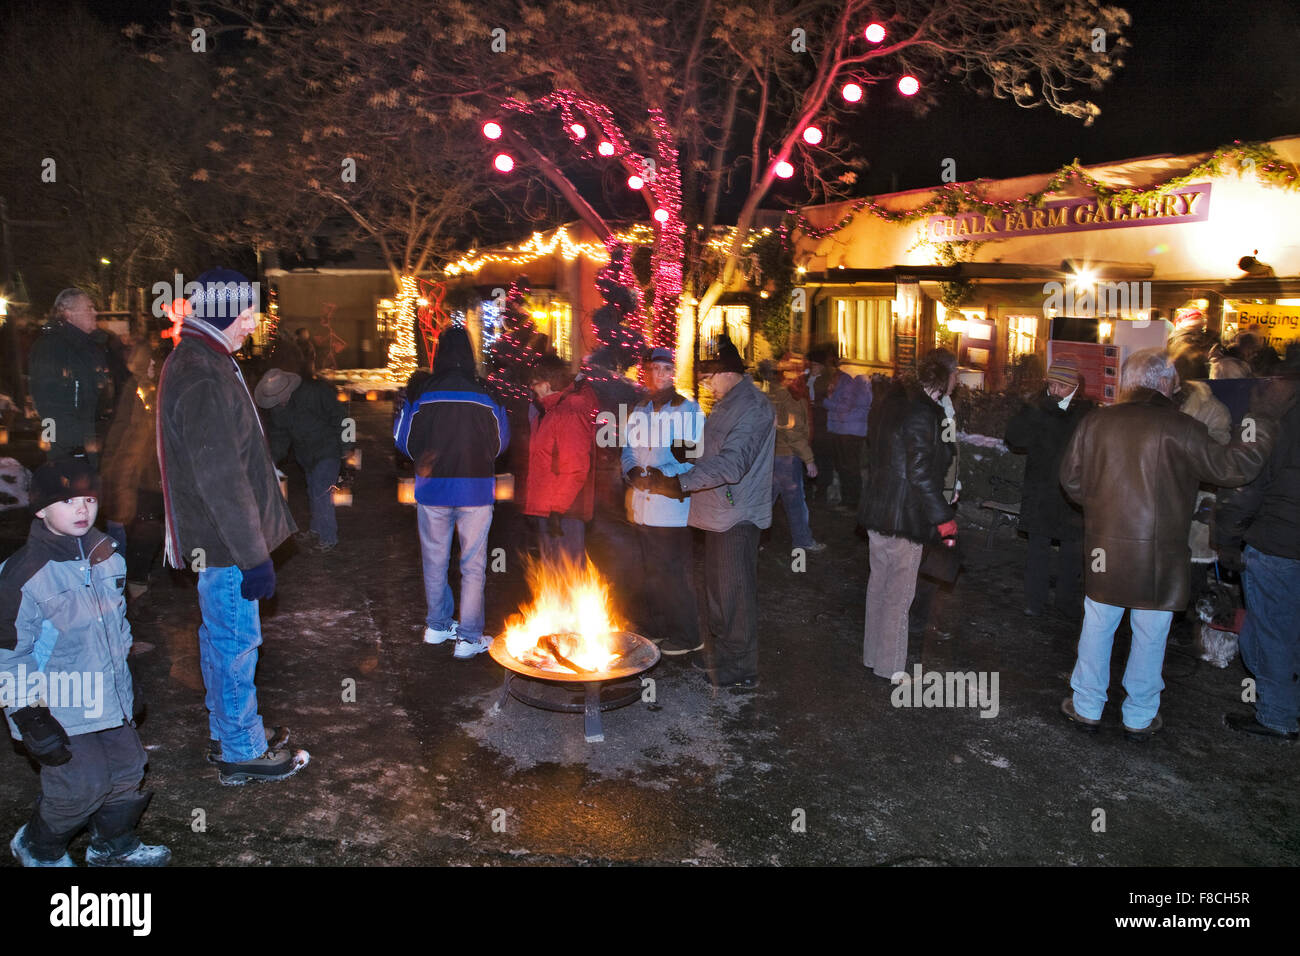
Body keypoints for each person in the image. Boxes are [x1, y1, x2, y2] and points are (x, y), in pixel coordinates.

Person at [1059, 348, 1292, 739]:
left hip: (1105, 550)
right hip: (1159, 553)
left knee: (1097, 627)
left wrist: (1104, 509)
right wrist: (1261, 419)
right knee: (1150, 635)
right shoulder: (1182, 427)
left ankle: (1086, 706)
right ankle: (1138, 715)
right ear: (1165, 383)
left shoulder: (1096, 421)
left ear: (1129, 383)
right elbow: (1234, 467)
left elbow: (1072, 481)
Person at [157, 268, 308, 784]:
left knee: (225, 641)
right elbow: (220, 477)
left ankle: (233, 730)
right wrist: (254, 554)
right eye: (246, 314)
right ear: (223, 312)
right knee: (235, 644)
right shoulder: (201, 371)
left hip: (221, 543)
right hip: (224, 546)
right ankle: (241, 747)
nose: (253, 324)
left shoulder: (209, 360)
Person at [0, 458, 169, 866]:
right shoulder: (23, 574)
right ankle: (38, 846)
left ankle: (111, 845)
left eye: (89, 499)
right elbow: (9, 654)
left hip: (109, 698)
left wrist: (127, 676)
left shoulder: (109, 559)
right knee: (80, 786)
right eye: (68, 500)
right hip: (59, 706)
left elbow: (118, 627)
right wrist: (28, 714)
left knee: (129, 769)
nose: (81, 509)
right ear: (40, 508)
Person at [634, 335, 774, 689]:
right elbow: (715, 449)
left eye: (709, 379)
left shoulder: (753, 407)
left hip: (736, 514)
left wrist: (680, 483)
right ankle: (723, 653)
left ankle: (741, 667)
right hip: (715, 512)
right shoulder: (727, 403)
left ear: (729, 372)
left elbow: (732, 464)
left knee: (734, 594)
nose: (706, 386)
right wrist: (688, 451)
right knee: (716, 592)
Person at [394, 327, 510, 660]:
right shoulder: (486, 392)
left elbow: (403, 440)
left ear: (439, 354)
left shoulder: (423, 392)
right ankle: (469, 637)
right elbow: (501, 443)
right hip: (475, 489)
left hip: (432, 489)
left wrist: (426, 460)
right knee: (473, 565)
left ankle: (437, 625)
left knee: (434, 560)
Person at [859, 353, 958, 680]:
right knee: (899, 594)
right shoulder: (923, 414)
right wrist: (943, 516)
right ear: (943, 381)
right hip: (906, 516)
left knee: (879, 584)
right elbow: (920, 473)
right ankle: (890, 667)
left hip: (878, 509)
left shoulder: (890, 404)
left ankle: (873, 656)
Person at [1215, 383, 1300, 740]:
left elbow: (1245, 487)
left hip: (1277, 543)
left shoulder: (1274, 424)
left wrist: (1227, 541)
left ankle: (1278, 714)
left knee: (1271, 632)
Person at [621, 348, 701, 655]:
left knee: (673, 574)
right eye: (653, 368)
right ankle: (656, 628)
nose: (658, 374)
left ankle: (687, 635)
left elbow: (690, 459)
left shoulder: (687, 410)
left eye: (665, 368)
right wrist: (631, 469)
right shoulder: (640, 409)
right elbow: (628, 448)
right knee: (649, 573)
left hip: (670, 510)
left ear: (672, 373)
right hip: (641, 508)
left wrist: (659, 473)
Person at [1003, 359, 1094, 618]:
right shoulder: (1037, 407)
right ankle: (1035, 600)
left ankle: (1065, 602)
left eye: (1062, 386)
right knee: (1037, 550)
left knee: (1072, 553)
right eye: (1052, 384)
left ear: (1076, 387)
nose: (1055, 390)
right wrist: (1034, 410)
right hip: (1041, 491)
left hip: (1071, 494)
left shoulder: (1087, 413)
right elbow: (1014, 438)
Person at [99, 341, 164, 621]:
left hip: (135, 473)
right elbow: (132, 434)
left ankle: (129, 588)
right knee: (135, 531)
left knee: (133, 528)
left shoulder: (136, 388)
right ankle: (127, 591)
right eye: (149, 361)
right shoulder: (138, 390)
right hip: (135, 474)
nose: (153, 366)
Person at [255, 367, 351, 553]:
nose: (279, 402)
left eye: (280, 396)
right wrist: (272, 460)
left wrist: (347, 445)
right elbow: (280, 436)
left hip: (327, 449)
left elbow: (340, 416)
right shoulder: (279, 409)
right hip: (306, 456)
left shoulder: (315, 392)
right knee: (313, 490)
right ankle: (316, 529)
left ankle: (329, 537)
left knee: (321, 491)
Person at [523, 354, 598, 568]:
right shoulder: (549, 412)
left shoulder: (567, 413)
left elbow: (575, 468)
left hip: (563, 512)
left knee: (567, 575)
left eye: (534, 384)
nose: (532, 388)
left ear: (547, 385)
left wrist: (558, 508)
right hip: (550, 509)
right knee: (553, 577)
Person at [26, 288, 116, 462]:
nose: (95, 312)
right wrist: (76, 446)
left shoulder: (94, 345)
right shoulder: (51, 348)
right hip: (74, 452)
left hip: (96, 445)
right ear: (69, 313)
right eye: (89, 308)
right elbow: (48, 403)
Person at [758, 358, 822, 553]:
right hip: (786, 456)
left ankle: (752, 540)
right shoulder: (788, 396)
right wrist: (808, 459)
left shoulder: (778, 393)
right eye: (799, 372)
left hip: (776, 455)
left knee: (766, 500)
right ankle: (803, 540)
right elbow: (792, 431)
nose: (803, 375)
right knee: (795, 502)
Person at [824, 365, 872, 513]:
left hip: (847, 429)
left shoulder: (849, 381)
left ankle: (851, 501)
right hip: (851, 429)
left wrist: (825, 402)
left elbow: (845, 406)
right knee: (849, 466)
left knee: (848, 466)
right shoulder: (862, 382)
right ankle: (852, 500)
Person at [804, 346, 835, 503]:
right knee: (807, 455)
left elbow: (828, 400)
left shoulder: (826, 380)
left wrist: (816, 403)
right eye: (811, 364)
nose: (812, 367)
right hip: (807, 422)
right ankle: (808, 488)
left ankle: (821, 490)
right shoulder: (806, 378)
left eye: (815, 365)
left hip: (821, 424)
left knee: (822, 457)